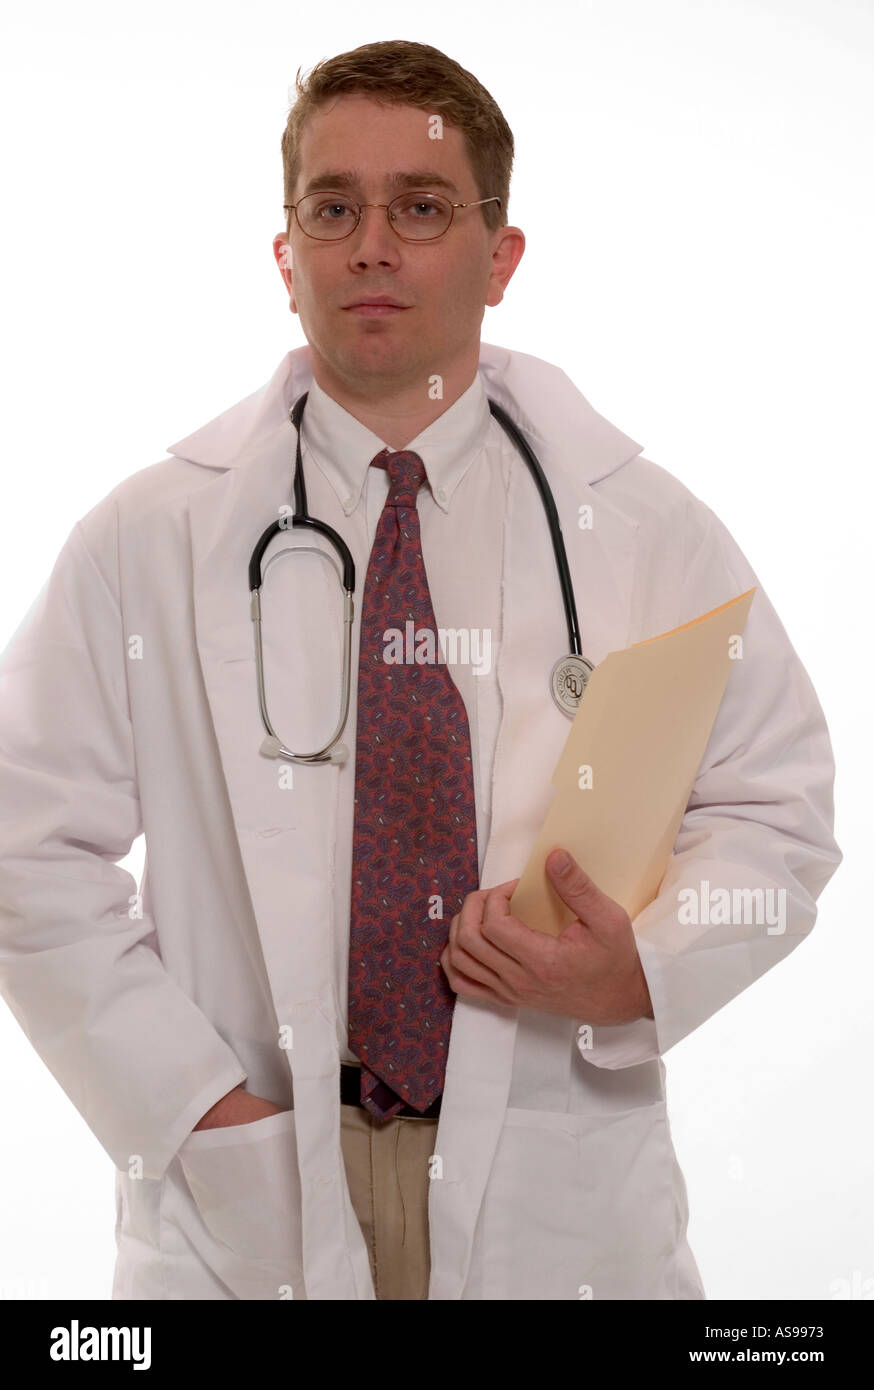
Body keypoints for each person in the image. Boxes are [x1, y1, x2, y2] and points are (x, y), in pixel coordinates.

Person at [0, 39, 841, 1302]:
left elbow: (778, 810)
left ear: (500, 257)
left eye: (422, 207)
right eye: (332, 208)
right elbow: (24, 841)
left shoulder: (644, 525)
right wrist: (195, 1106)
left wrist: (644, 969)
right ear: (286, 255)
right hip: (261, 1183)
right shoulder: (153, 534)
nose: (372, 246)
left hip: (556, 1185)